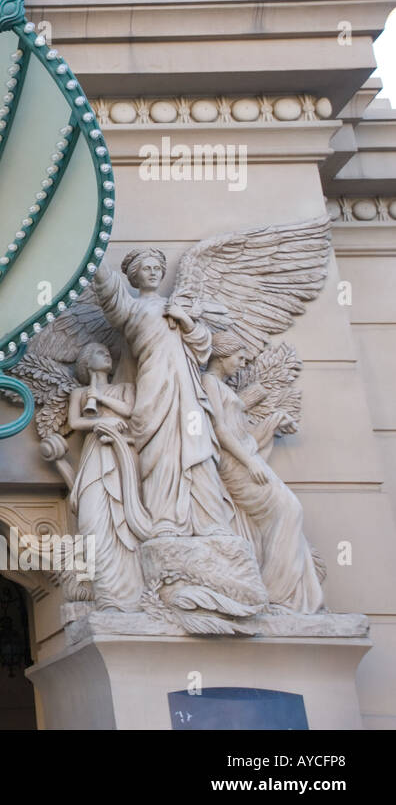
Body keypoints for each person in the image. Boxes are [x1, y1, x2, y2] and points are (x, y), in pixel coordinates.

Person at [94, 248, 234, 537]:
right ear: (134, 277)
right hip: (154, 387)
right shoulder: (130, 309)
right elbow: (110, 294)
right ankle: (164, 517)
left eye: (157, 267)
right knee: (160, 449)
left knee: (196, 446)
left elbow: (201, 350)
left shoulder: (177, 307)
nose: (154, 272)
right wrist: (94, 257)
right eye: (147, 268)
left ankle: (209, 520)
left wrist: (186, 321)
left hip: (187, 388)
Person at [202, 333, 326, 613]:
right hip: (235, 465)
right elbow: (220, 431)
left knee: (288, 512)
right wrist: (250, 462)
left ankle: (290, 594)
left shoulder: (223, 388)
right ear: (222, 356)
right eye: (239, 358)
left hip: (244, 458)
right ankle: (279, 594)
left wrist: (273, 422)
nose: (243, 364)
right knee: (289, 509)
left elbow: (240, 434)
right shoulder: (209, 383)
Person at [64, 343, 146, 611]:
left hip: (122, 457)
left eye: (108, 352)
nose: (107, 355)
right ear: (87, 363)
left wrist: (100, 398)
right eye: (100, 353)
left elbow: (131, 411)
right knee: (91, 520)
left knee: (122, 518)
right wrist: (100, 422)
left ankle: (128, 596)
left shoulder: (124, 389)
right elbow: (75, 423)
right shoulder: (79, 393)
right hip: (95, 455)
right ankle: (106, 593)